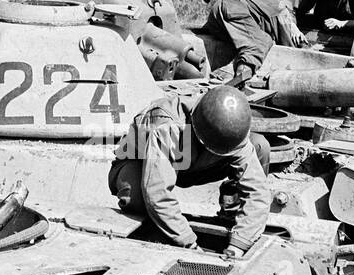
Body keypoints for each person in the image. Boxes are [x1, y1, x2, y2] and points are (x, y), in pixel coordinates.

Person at [108, 86, 269, 257]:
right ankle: (154, 233)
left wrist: (239, 244)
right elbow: (157, 193)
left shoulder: (231, 129)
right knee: (138, 198)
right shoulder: (168, 126)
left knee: (260, 146)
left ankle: (232, 215)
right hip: (142, 162)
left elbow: (257, 192)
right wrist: (187, 242)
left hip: (192, 162)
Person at [201, 0, 302, 87]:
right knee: (262, 42)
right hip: (232, 8)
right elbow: (289, 47)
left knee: (246, 46)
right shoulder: (281, 9)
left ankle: (223, 73)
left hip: (217, 16)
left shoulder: (260, 0)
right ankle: (240, 77)